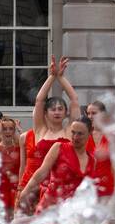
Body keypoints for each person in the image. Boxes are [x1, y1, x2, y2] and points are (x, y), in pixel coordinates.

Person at [17, 115, 97, 224]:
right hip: (50, 208)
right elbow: (42, 172)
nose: (75, 137)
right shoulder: (60, 147)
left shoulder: (91, 161)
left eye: (80, 133)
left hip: (72, 213)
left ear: (90, 133)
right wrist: (25, 191)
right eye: (73, 132)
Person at [17, 56, 81, 215]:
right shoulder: (40, 130)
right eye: (53, 109)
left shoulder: (69, 131)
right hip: (35, 183)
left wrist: (61, 78)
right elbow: (39, 100)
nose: (57, 112)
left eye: (60, 109)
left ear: (65, 113)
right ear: (45, 113)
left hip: (60, 185)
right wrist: (52, 76)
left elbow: (74, 100)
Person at [86, 100, 115, 224]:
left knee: (106, 222)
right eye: (89, 113)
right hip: (87, 182)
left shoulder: (111, 134)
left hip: (106, 182)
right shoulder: (84, 134)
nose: (91, 116)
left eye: (94, 113)